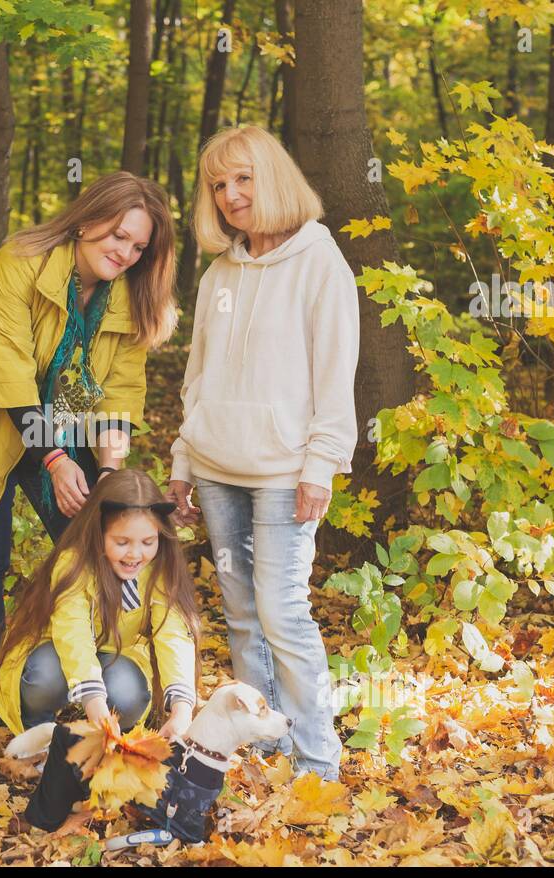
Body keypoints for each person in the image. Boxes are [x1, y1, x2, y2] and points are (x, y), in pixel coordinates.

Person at [0, 173, 177, 725]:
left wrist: (108, 473)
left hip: (60, 427)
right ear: (86, 221)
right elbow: (8, 376)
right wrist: (56, 461)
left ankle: (102, 678)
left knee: (93, 542)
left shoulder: (129, 294)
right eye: (117, 236)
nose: (126, 253)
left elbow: (122, 391)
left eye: (138, 246)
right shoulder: (21, 261)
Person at [166, 125, 360, 782]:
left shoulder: (319, 262)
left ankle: (317, 764)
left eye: (242, 178)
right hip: (217, 471)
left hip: (284, 474)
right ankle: (268, 752)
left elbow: (335, 375)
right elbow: (199, 376)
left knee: (283, 612)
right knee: (244, 617)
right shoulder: (219, 272)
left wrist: (321, 466)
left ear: (272, 177)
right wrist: (182, 462)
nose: (229, 195)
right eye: (218, 185)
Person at [0, 469, 201, 738]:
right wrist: (93, 700)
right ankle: (37, 734)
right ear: (99, 531)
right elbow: (72, 632)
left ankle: (111, 742)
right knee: (45, 677)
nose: (135, 554)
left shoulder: (160, 568)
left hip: (119, 652)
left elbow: (173, 634)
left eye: (148, 542)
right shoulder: (73, 563)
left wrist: (182, 708)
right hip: (56, 648)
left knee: (127, 695)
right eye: (122, 542)